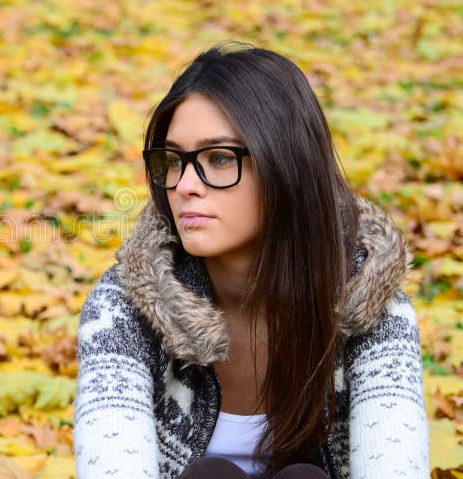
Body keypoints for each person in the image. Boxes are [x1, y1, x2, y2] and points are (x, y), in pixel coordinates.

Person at [73, 41, 429, 479]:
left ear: (287, 165)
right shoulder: (125, 307)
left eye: (219, 158)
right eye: (174, 161)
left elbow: (395, 464)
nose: (184, 185)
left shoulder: (367, 299)